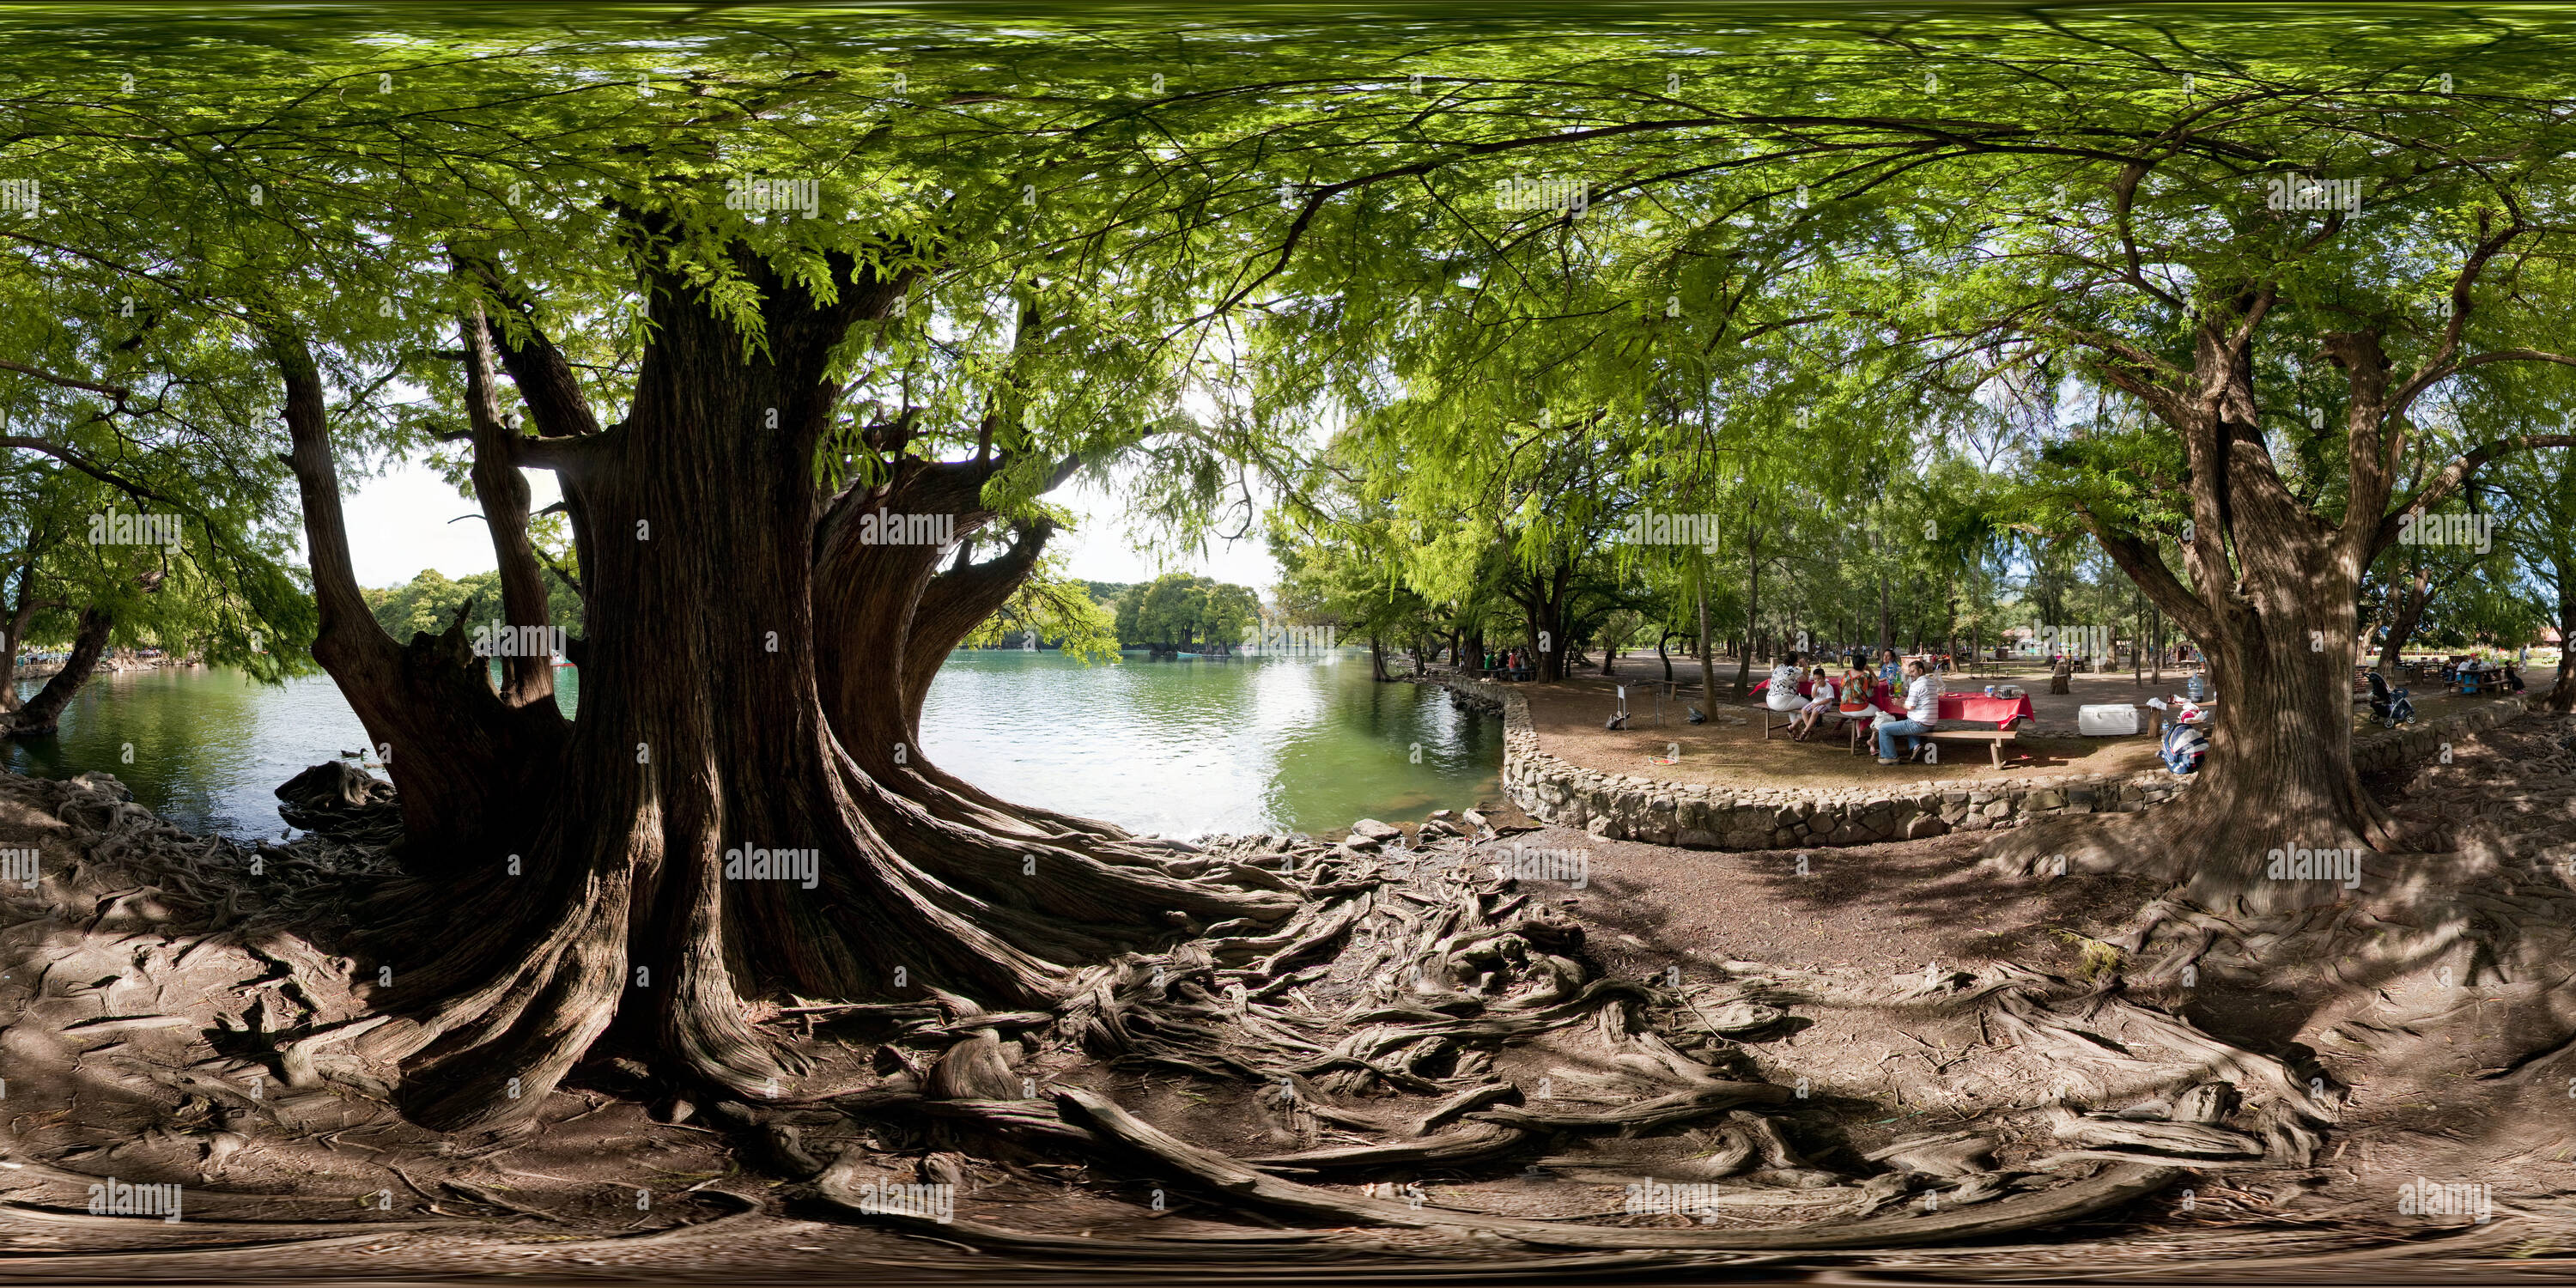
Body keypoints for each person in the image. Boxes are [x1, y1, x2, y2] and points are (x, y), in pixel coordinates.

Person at [1876, 659, 1942, 764]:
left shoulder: (1916, 685)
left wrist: (1900, 704)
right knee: (1909, 720)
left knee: (1884, 729)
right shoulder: (1932, 683)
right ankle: (1916, 746)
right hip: (1931, 723)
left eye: (1913, 671)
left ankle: (1890, 757)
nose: (1911, 674)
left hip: (1919, 724)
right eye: (1910, 672)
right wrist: (1906, 700)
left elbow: (1910, 707)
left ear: (1920, 671)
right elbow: (1920, 701)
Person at [1792, 665, 1839, 739]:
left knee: (1815, 711)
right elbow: (1813, 696)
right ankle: (1809, 730)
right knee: (1804, 710)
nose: (1817, 681)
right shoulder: (1815, 686)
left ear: (1824, 678)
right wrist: (1816, 687)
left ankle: (1805, 731)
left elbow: (1828, 699)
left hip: (1825, 704)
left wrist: (1817, 704)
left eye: (1819, 679)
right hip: (1815, 702)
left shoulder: (1828, 687)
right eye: (1815, 679)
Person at [1765, 651, 1808, 719]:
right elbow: (1806, 679)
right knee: (1809, 706)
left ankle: (1794, 727)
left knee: (1793, 705)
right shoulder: (1794, 670)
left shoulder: (1779, 667)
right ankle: (1793, 726)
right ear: (1796, 661)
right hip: (1781, 701)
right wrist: (1805, 665)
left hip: (1770, 700)